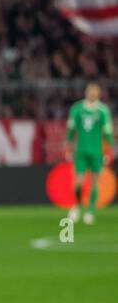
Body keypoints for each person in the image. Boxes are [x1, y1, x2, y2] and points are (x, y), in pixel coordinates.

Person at [65, 83, 113, 224]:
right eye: (90, 91)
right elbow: (71, 130)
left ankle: (90, 210)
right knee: (78, 181)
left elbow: (107, 132)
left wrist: (109, 151)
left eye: (95, 92)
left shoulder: (103, 111)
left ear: (98, 94)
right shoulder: (77, 109)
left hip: (97, 151)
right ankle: (77, 206)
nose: (92, 94)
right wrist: (68, 147)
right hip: (81, 151)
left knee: (95, 181)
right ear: (86, 92)